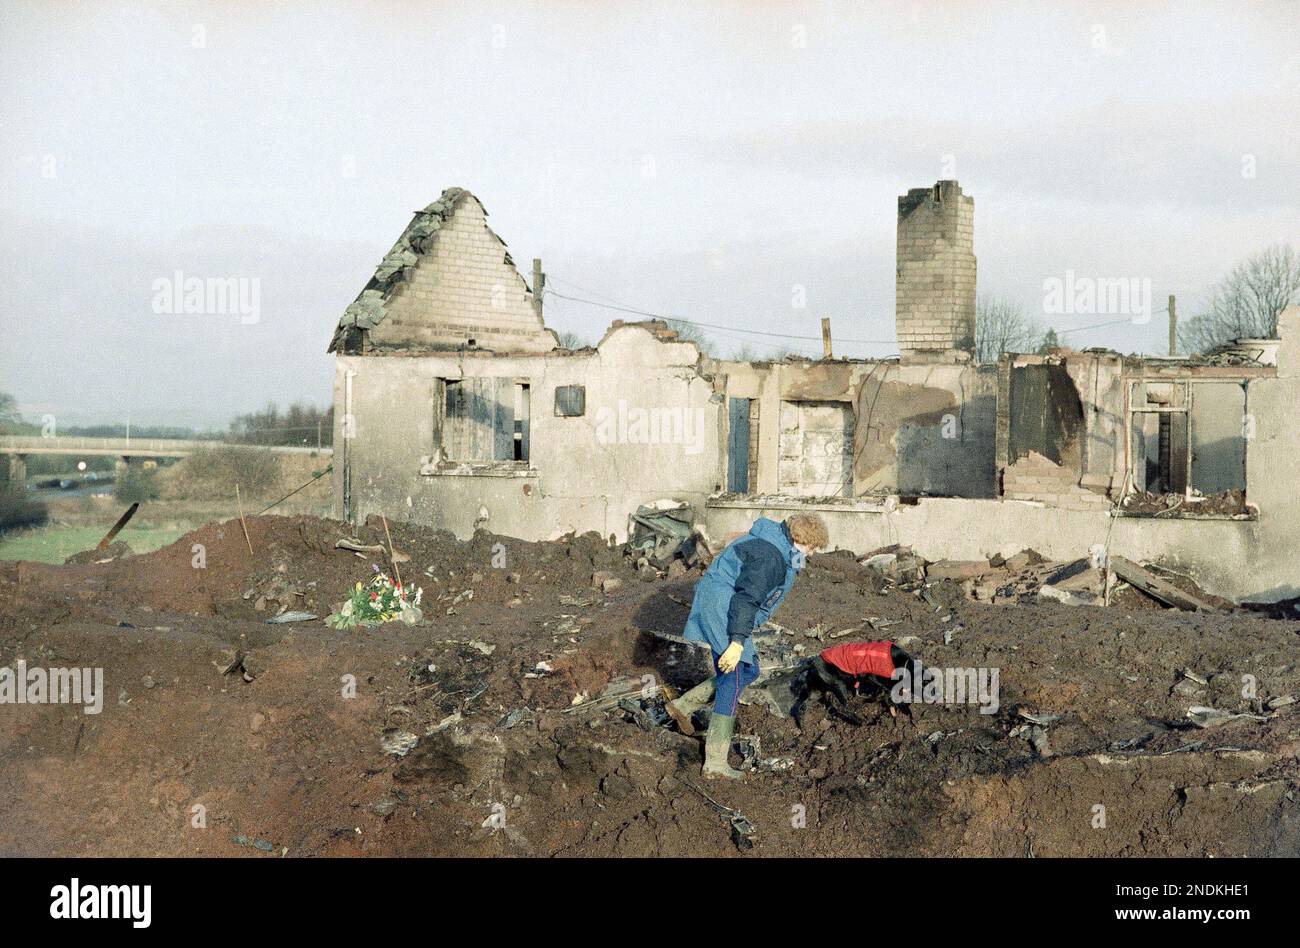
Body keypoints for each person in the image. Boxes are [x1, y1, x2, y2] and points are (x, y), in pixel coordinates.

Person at [665, 513, 829, 779]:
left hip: (722, 600)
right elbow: (747, 599)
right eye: (811, 548)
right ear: (799, 540)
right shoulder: (771, 557)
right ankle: (715, 763)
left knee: (750, 671)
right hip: (725, 605)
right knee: (734, 674)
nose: (811, 554)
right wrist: (737, 642)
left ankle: (683, 706)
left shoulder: (776, 544)